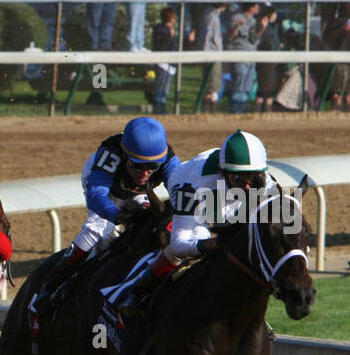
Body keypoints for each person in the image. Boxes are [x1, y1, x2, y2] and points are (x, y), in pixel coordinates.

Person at [29, 117, 177, 317]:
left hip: (134, 191)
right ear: (125, 157)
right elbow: (96, 196)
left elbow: (182, 190)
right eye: (137, 166)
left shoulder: (167, 159)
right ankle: (54, 282)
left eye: (152, 168)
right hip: (104, 185)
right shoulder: (110, 155)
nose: (145, 174)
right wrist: (117, 216)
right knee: (97, 228)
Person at [111, 131, 271, 316]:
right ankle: (139, 291)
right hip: (196, 188)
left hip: (218, 190)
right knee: (198, 246)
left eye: (253, 178)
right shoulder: (189, 184)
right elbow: (180, 244)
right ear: (224, 172)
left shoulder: (264, 181)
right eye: (238, 179)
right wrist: (211, 243)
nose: (246, 185)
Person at [227, 2, 260, 114]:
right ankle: (235, 111)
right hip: (239, 55)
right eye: (256, 6)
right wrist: (236, 26)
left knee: (247, 86)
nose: (258, 8)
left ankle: (241, 110)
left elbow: (254, 40)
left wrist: (262, 28)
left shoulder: (254, 21)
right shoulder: (236, 18)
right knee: (238, 83)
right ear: (251, 7)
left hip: (251, 57)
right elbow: (230, 36)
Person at [196, 1, 226, 113]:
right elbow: (207, 35)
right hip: (211, 53)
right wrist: (206, 53)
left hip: (214, 53)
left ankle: (211, 109)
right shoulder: (211, 16)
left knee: (214, 84)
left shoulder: (212, 15)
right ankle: (207, 110)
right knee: (211, 84)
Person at [253, 5, 281, 113]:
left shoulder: (274, 26)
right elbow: (254, 40)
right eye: (274, 14)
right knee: (264, 88)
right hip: (265, 61)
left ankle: (268, 113)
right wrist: (262, 28)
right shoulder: (260, 25)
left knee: (270, 89)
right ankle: (258, 112)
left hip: (274, 61)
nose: (276, 16)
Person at [149, 7, 177, 113]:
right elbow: (162, 47)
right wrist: (171, 36)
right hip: (162, 64)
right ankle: (158, 110)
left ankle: (162, 108)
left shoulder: (168, 30)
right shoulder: (160, 30)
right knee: (160, 90)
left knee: (165, 89)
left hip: (169, 64)